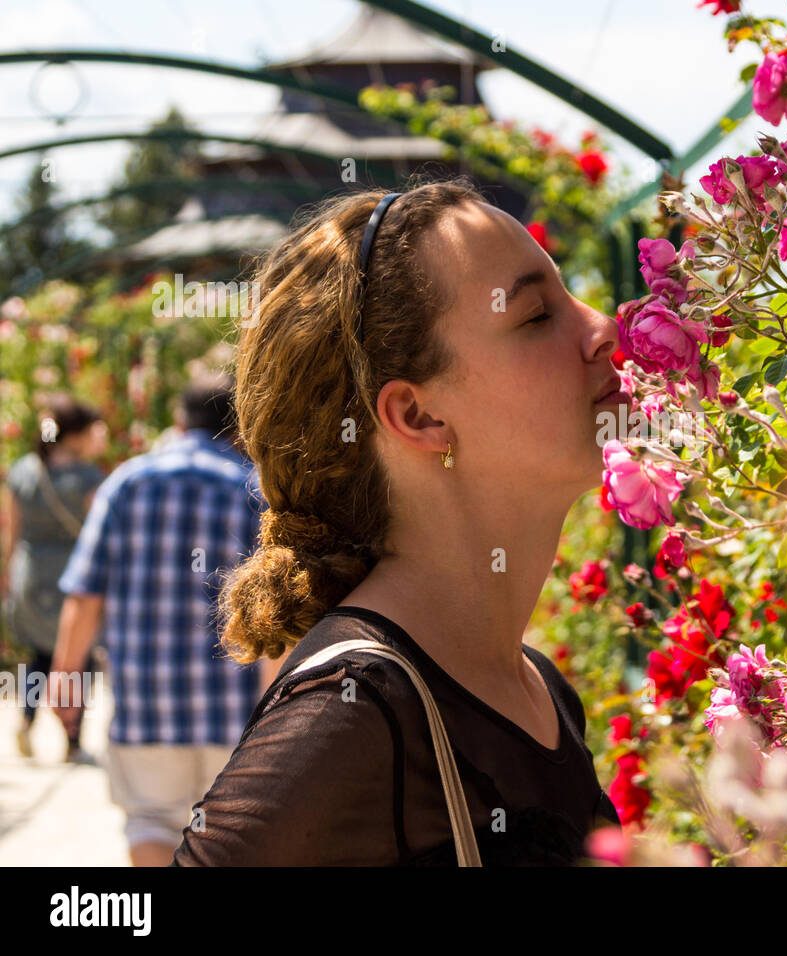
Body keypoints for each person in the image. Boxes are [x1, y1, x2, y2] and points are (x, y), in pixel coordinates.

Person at [171, 177, 625, 867]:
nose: (605, 327)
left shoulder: (533, 685)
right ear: (419, 416)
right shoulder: (354, 712)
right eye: (537, 315)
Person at [52, 372, 270, 866]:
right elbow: (274, 617)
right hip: (233, 715)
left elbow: (85, 597)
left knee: (150, 821)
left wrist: (66, 681)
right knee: (232, 838)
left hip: (146, 708)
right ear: (241, 429)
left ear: (178, 421)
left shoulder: (124, 485)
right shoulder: (256, 492)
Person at [1, 395, 106, 762]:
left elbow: (11, 532)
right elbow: (99, 536)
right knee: (78, 656)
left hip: (30, 574)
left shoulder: (23, 471)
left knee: (39, 655)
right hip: (73, 579)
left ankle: (26, 723)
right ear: (74, 435)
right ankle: (72, 738)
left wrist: (8, 577)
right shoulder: (87, 478)